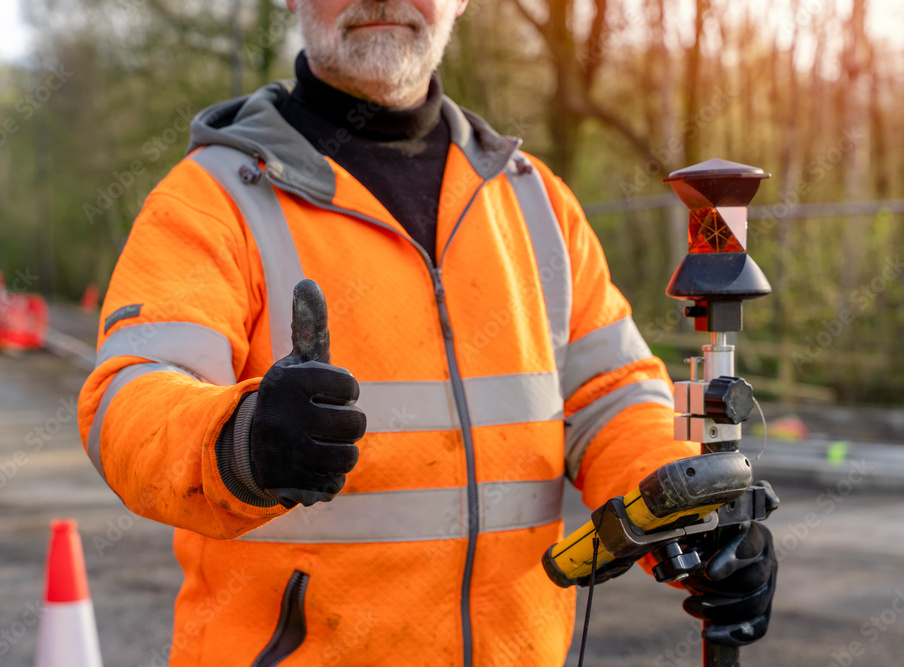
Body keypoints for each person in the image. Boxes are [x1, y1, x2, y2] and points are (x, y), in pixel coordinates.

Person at [77, 0, 777, 664]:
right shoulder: (213, 200)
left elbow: (615, 396)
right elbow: (128, 398)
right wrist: (240, 438)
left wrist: (681, 503)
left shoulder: (535, 202)